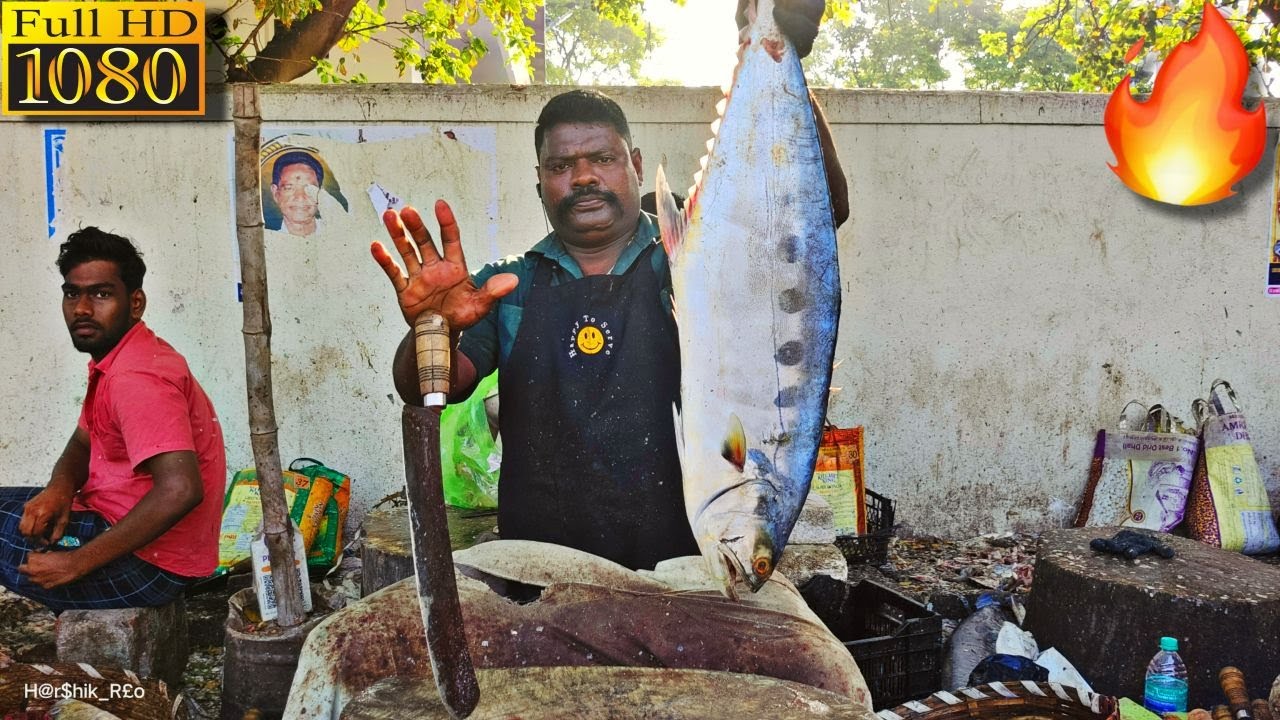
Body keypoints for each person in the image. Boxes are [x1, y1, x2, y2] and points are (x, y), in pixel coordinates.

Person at [285, 3, 870, 716]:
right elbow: (430, 392)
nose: (584, 177)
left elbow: (817, 214)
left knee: (829, 686)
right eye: (562, 166)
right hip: (541, 580)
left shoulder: (700, 261)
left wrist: (786, 65)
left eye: (601, 159)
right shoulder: (511, 285)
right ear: (541, 185)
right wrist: (431, 328)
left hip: (687, 575)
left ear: (631, 164)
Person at [0, 228, 226, 611]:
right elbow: (83, 442)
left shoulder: (136, 377)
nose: (83, 309)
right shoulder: (119, 355)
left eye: (101, 294)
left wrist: (76, 563)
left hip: (147, 567)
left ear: (135, 303)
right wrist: (59, 488)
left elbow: (180, 489)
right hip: (125, 531)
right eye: (73, 293)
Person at [270, 150, 324, 237]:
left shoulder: (340, 235)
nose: (300, 197)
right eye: (289, 188)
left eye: (309, 188)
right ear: (275, 193)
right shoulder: (266, 241)